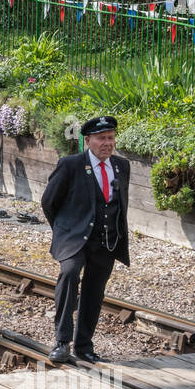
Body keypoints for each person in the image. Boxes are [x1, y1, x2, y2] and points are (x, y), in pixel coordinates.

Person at [39, 116, 130, 364]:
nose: (107, 143)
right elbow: (49, 202)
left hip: (106, 241)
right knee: (69, 275)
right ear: (87, 140)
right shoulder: (70, 165)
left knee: (94, 291)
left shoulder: (122, 166)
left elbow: (120, 204)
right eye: (101, 138)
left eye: (110, 138)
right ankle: (61, 342)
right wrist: (63, 230)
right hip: (73, 239)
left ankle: (84, 345)